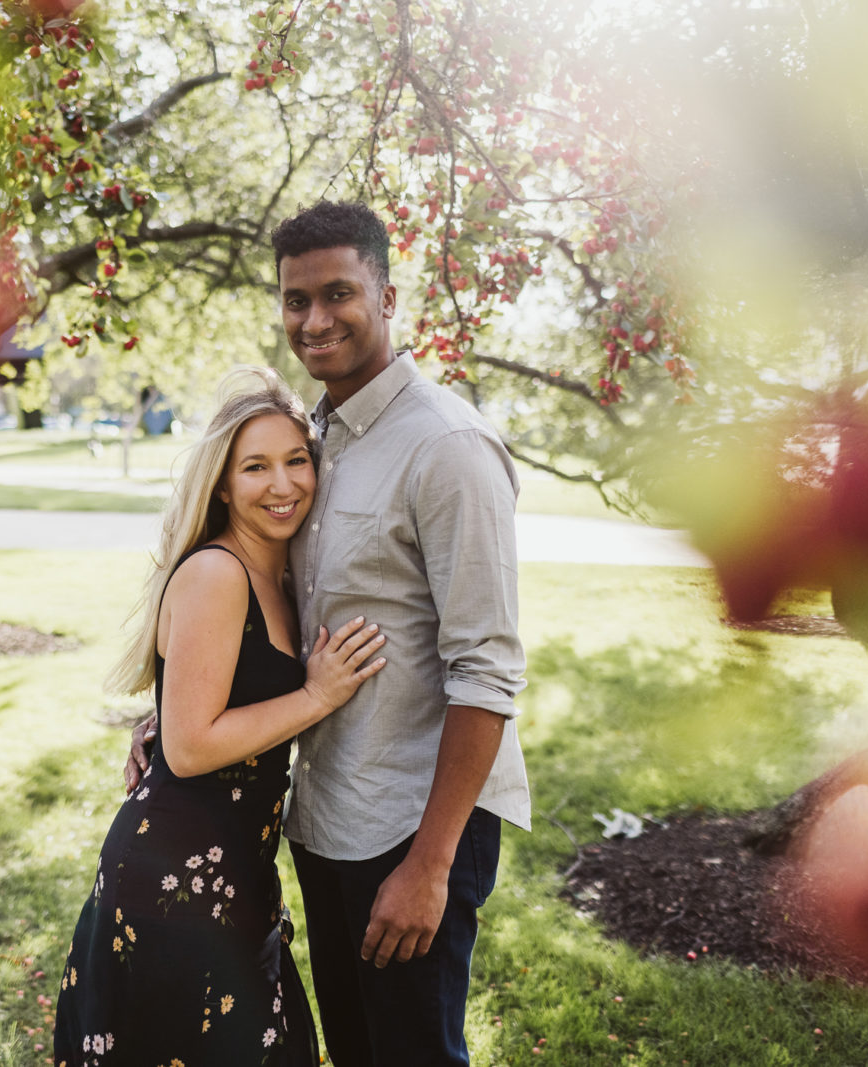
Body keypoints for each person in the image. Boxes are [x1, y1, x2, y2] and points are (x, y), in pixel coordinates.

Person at [128, 201, 529, 1066]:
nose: (314, 320)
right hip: (323, 817)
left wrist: (430, 866)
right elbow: (266, 616)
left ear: (387, 295)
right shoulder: (312, 442)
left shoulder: (447, 446)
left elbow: (487, 674)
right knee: (353, 1050)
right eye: (294, 300)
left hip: (413, 826)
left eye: (338, 293)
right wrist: (177, 713)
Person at [54, 367, 388, 1067]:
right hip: (171, 884)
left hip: (238, 875)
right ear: (224, 482)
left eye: (298, 460)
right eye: (256, 466)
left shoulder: (282, 571)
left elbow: (202, 701)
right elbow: (192, 745)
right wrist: (316, 697)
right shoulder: (218, 572)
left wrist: (159, 718)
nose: (283, 484)